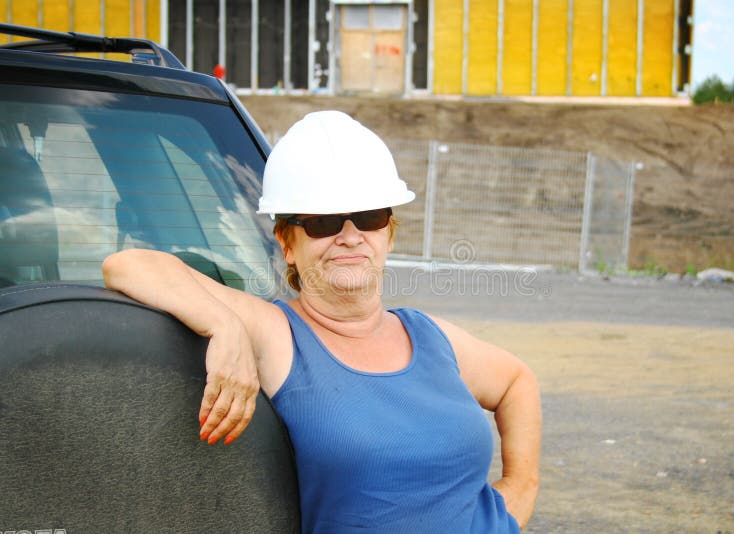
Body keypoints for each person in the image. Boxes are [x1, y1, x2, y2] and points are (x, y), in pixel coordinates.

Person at [103, 110, 541, 533]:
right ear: (287, 243)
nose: (350, 236)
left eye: (369, 218)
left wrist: (520, 491)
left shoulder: (433, 337)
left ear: (388, 233)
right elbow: (129, 265)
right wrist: (225, 326)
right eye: (323, 223)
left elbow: (517, 382)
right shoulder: (279, 335)